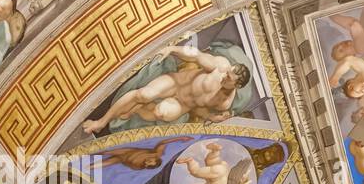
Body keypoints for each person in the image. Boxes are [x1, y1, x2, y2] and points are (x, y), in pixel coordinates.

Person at [82, 44, 251, 133]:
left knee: (160, 113)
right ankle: (100, 122)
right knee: (143, 94)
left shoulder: (224, 103)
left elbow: (200, 111)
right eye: (228, 72)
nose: (225, 76)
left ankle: (135, 111)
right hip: (175, 83)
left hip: (182, 105)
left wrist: (210, 118)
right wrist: (172, 49)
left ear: (236, 85)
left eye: (229, 78)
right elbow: (195, 54)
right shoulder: (220, 66)